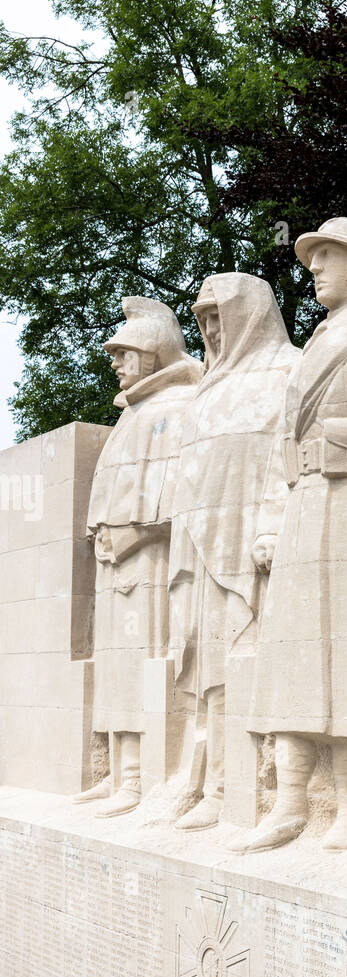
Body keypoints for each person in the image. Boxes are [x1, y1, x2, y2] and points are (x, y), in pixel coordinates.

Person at [230, 219, 347, 853]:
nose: (312, 266)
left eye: (326, 256)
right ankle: (290, 800)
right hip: (304, 506)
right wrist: (268, 523)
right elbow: (279, 446)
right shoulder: (314, 343)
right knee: (292, 655)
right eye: (310, 256)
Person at [169, 273, 299, 830]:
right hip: (200, 547)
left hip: (254, 543)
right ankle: (207, 785)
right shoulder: (207, 389)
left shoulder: (290, 369)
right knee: (206, 666)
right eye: (202, 318)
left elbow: (288, 459)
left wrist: (268, 530)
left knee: (243, 665)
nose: (211, 328)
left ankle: (245, 789)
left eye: (220, 314)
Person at [74, 298, 201, 817]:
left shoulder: (177, 407)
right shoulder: (134, 413)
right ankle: (119, 772)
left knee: (146, 666)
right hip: (115, 560)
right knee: (117, 673)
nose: (116, 362)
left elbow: (177, 491)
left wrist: (138, 535)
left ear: (151, 354)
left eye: (124, 352)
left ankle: (142, 778)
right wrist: (104, 536)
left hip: (151, 559)